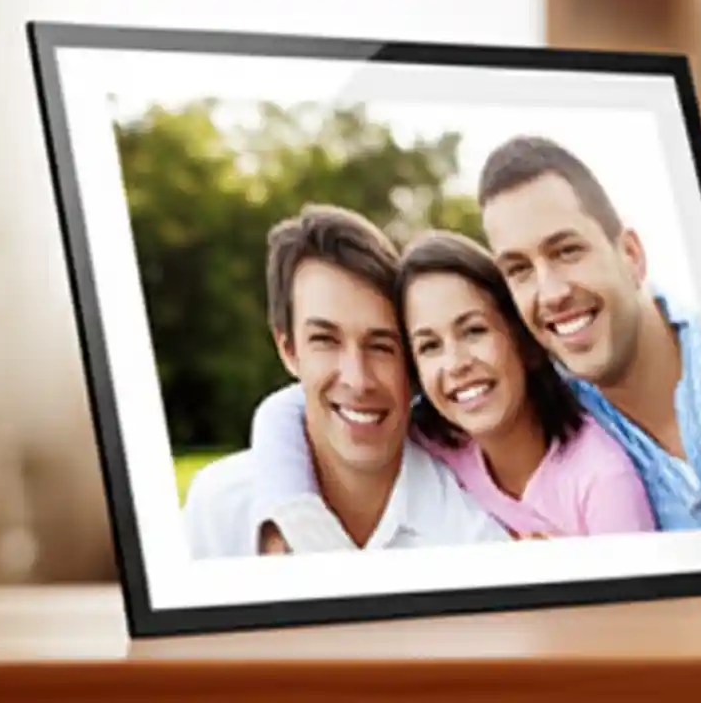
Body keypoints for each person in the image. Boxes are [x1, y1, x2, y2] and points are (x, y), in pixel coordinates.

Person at [250, 231, 656, 540]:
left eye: (474, 331)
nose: (456, 364)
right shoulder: (437, 436)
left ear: (525, 341)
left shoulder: (602, 481)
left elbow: (644, 619)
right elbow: (298, 407)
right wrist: (285, 523)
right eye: (429, 346)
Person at [181, 204, 509, 558]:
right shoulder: (217, 509)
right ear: (289, 350)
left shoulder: (475, 527)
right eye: (325, 340)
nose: (358, 380)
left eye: (381, 346)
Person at [476, 136, 701, 529]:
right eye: (519, 269)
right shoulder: (553, 421)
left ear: (631, 255)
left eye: (567, 251)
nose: (551, 293)